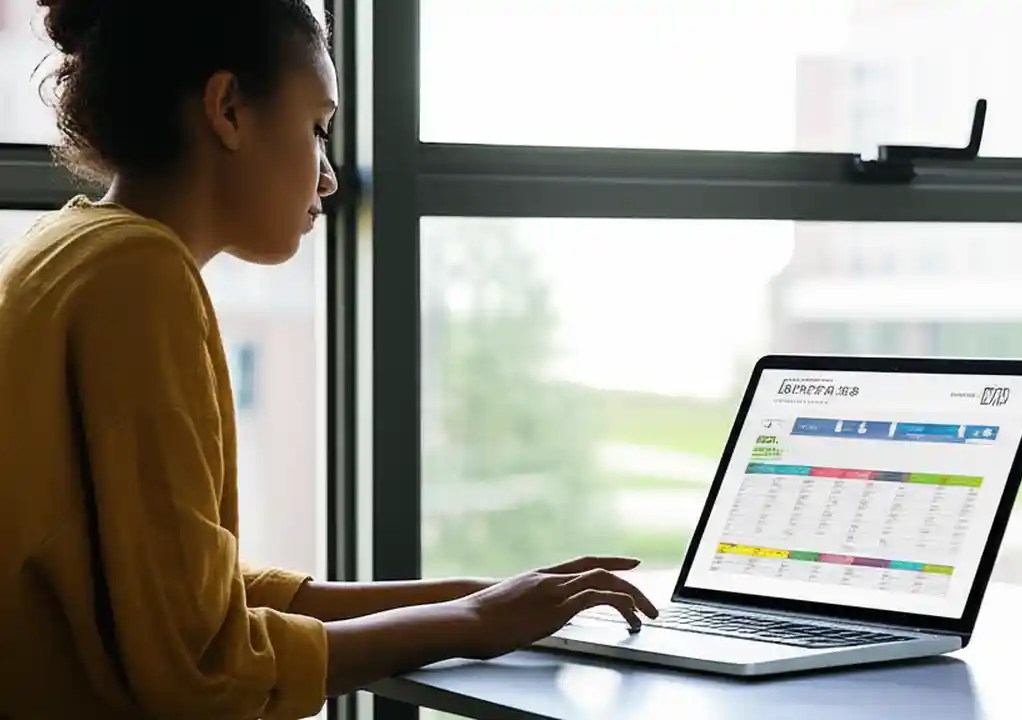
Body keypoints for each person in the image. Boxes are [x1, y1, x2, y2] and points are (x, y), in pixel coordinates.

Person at [0, 2, 657, 718]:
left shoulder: (66, 248)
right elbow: (202, 664)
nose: (329, 177)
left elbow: (178, 595)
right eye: (318, 127)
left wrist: (480, 595)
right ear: (227, 109)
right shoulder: (141, 276)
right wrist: (470, 627)